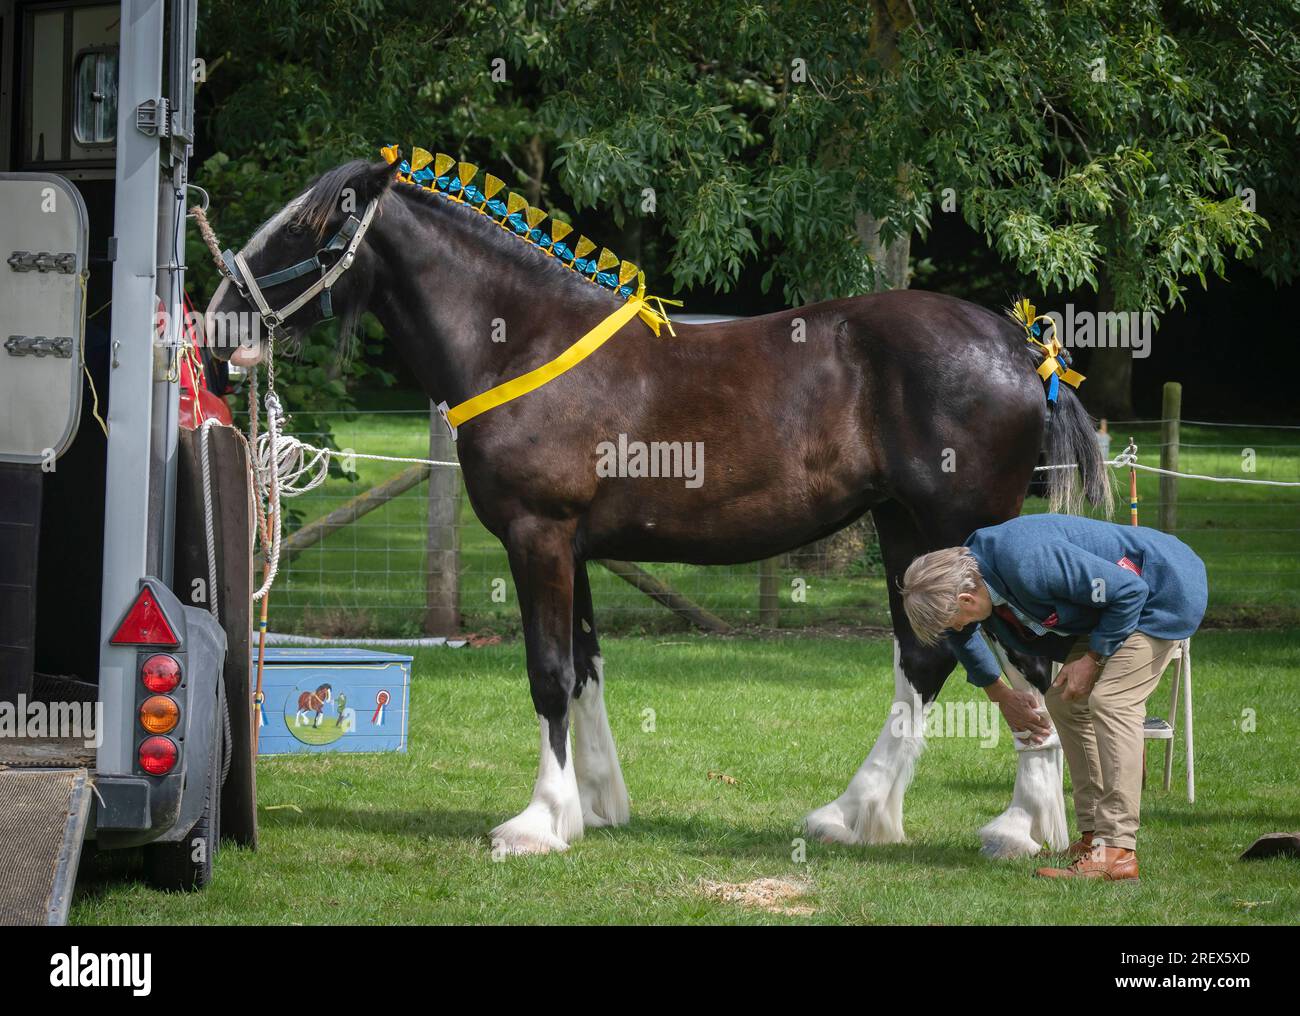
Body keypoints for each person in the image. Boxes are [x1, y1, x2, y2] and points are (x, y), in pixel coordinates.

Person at [899, 513, 1208, 882]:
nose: (960, 629)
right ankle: (1094, 837)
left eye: (957, 620)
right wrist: (1000, 694)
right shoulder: (973, 577)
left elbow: (1129, 590)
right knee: (1064, 700)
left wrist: (1092, 659)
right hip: (1113, 607)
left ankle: (1117, 851)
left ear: (966, 598)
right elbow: (961, 637)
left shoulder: (1028, 562)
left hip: (1161, 590)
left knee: (1111, 701)